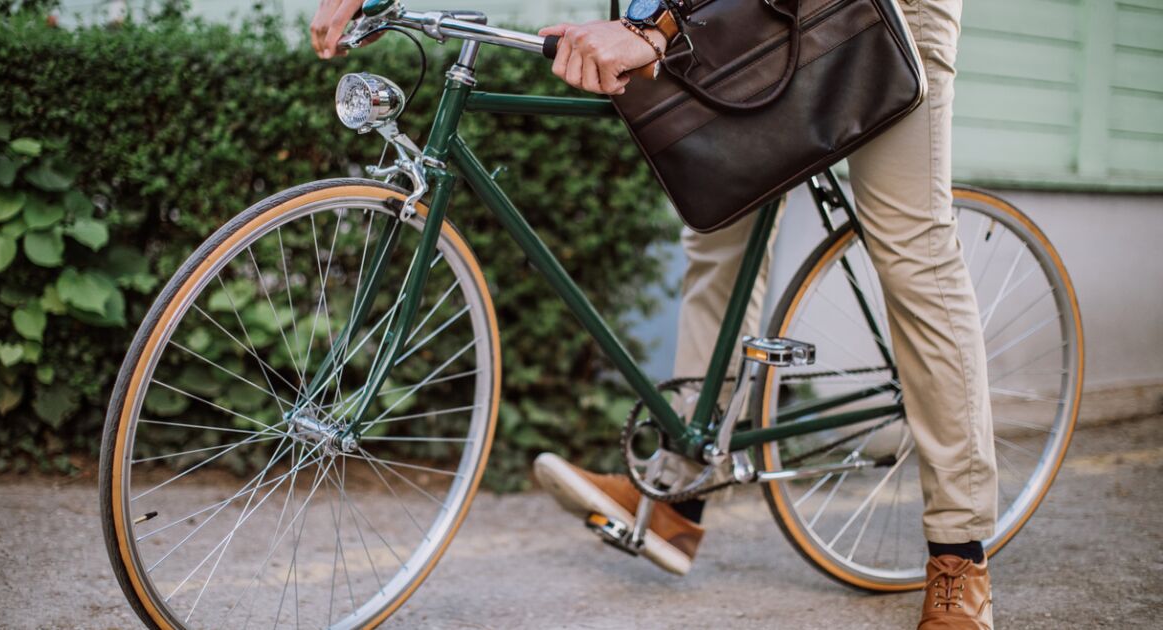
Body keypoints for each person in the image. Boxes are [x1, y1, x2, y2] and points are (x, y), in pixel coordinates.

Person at [309, 1, 995, 628]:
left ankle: (959, 555)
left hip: (879, 12)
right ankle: (679, 495)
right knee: (718, 233)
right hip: (740, 10)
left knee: (911, 249)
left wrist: (650, 26)